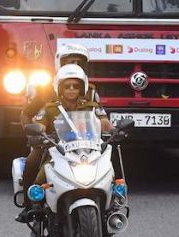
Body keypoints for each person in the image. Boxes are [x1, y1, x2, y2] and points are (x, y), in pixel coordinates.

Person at [18, 64, 110, 222]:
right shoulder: (50, 108)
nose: (72, 89)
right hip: (55, 148)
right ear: (60, 88)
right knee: (33, 161)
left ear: (82, 88)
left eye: (76, 86)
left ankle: (116, 199)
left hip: (86, 148)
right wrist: (37, 130)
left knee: (109, 157)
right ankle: (31, 205)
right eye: (67, 86)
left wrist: (114, 129)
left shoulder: (91, 106)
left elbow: (104, 122)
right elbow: (40, 121)